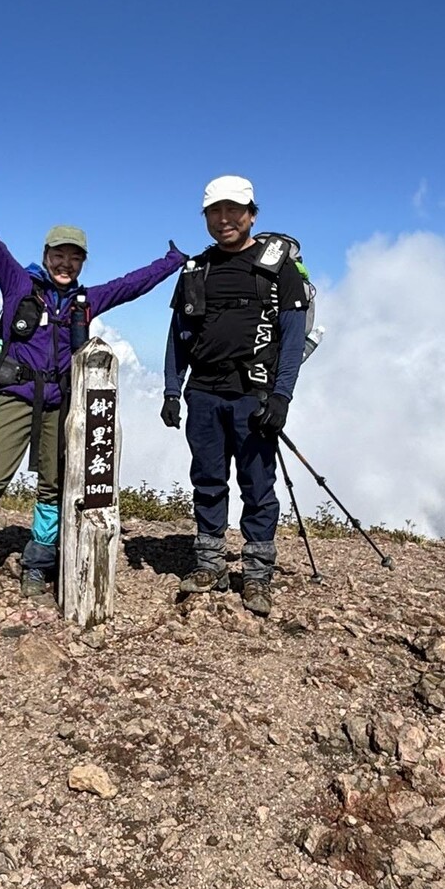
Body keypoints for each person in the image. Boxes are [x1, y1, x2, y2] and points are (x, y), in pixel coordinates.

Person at [0, 164, 185, 613]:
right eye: (59, 256)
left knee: (52, 488)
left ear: (82, 262)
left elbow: (130, 286)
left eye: (75, 258)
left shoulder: (86, 301)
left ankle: (38, 564)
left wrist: (171, 263)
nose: (66, 265)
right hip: (16, 398)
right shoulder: (18, 283)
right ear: (46, 254)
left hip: (59, 405)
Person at [161, 175, 308, 617]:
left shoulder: (278, 268)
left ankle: (257, 575)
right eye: (214, 212)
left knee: (258, 486)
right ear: (206, 217)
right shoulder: (196, 269)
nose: (224, 219)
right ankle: (210, 564)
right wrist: (172, 389)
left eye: (233, 211)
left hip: (254, 394)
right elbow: (177, 336)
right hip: (203, 391)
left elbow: (293, 335)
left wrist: (281, 397)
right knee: (207, 479)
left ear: (251, 214)